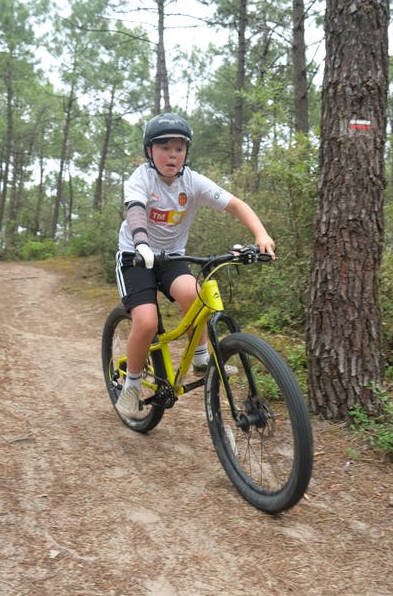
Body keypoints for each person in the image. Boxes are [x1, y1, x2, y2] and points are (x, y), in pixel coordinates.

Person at [114, 112, 276, 419]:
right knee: (147, 322)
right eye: (164, 147)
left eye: (179, 148)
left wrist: (261, 234)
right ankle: (131, 386)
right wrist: (141, 242)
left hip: (172, 257)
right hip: (135, 256)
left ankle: (202, 356)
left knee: (197, 295)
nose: (172, 155)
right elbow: (135, 211)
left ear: (186, 153)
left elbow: (235, 204)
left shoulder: (193, 181)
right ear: (150, 151)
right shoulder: (142, 179)